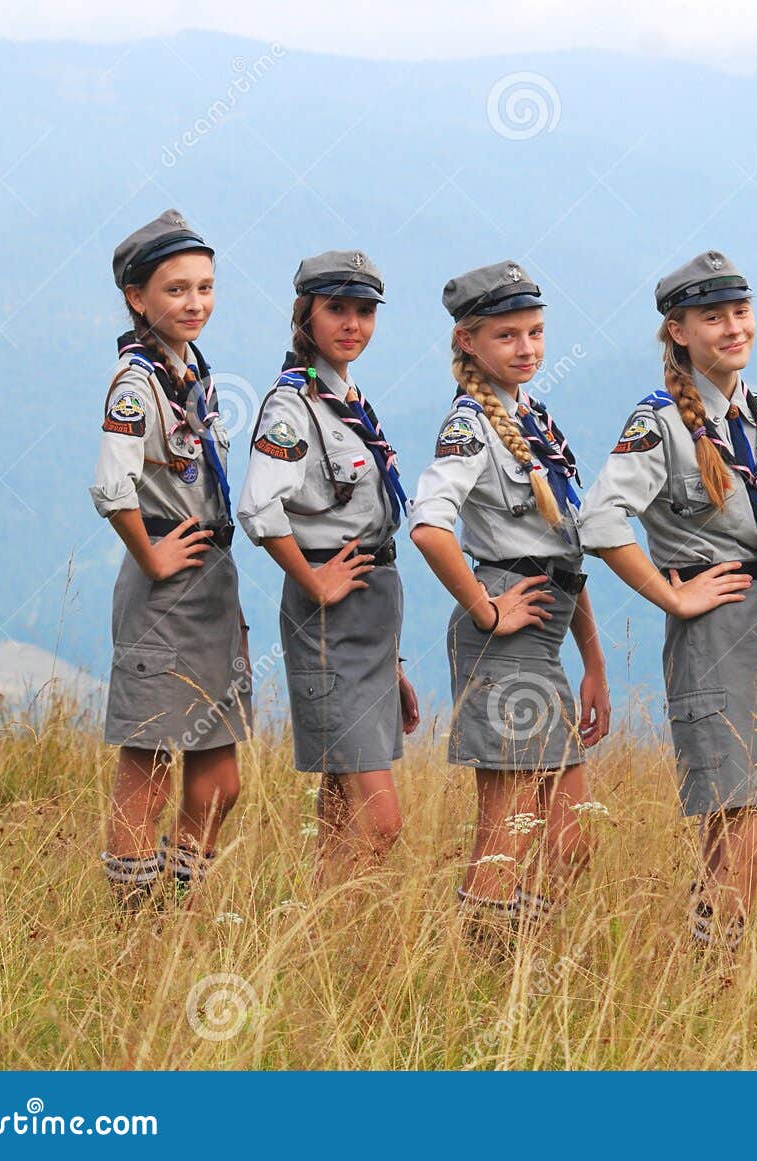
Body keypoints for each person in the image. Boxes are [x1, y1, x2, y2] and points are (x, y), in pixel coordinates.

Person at [577, 250, 757, 952]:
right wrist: (672, 595)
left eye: (740, 312)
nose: (731, 327)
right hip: (714, 627)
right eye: (711, 316)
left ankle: (704, 975)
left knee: (743, 830)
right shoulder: (657, 421)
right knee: (746, 832)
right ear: (678, 330)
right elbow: (598, 518)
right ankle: (713, 973)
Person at [410, 260, 608, 945]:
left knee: (572, 838)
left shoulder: (534, 419)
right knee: (508, 829)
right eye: (507, 336)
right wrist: (487, 609)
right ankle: (477, 972)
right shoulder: (469, 425)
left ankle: (520, 961)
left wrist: (595, 661)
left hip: (548, 634)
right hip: (505, 636)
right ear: (468, 341)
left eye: (535, 331)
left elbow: (564, 548)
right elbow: (430, 528)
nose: (527, 348)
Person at [236, 249, 420, 887]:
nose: (353, 324)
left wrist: (390, 663)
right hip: (330, 611)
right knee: (382, 819)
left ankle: (332, 935)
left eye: (365, 311)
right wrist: (312, 581)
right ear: (304, 315)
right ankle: (349, 933)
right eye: (336, 309)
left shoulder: (347, 398)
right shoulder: (292, 406)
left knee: (343, 803)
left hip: (371, 613)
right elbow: (260, 506)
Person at [90, 209, 248, 909]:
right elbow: (110, 483)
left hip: (211, 582)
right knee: (149, 769)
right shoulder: (136, 381)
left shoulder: (189, 371)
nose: (195, 303)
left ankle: (176, 909)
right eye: (177, 289)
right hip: (165, 584)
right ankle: (134, 930)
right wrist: (151, 558)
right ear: (136, 296)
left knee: (221, 783)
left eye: (205, 287)